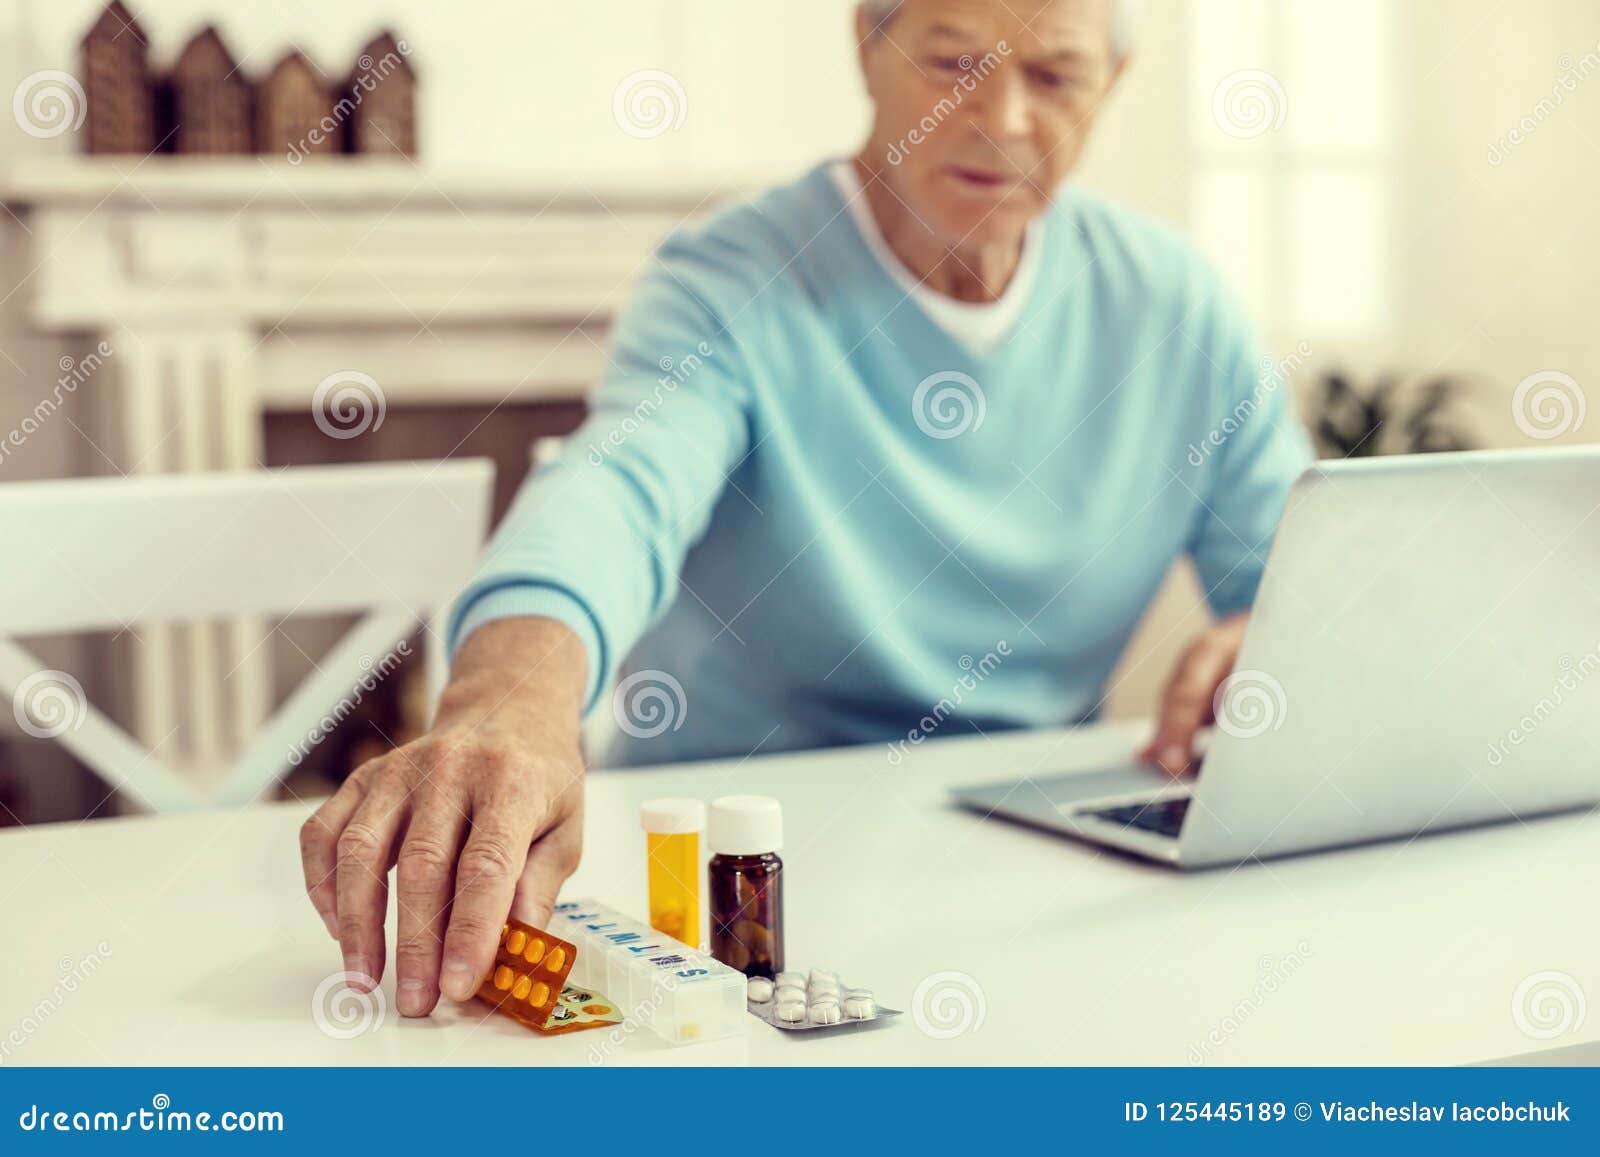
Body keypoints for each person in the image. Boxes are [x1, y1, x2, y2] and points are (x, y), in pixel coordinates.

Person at [299, 0, 1311, 1018]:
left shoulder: (1175, 306)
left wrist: (1273, 643)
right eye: (954, 62)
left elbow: (1301, 581)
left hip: (1036, 872)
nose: (1002, 118)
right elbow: (616, 488)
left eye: (1052, 76)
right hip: (740, 884)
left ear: (1110, 83)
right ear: (869, 45)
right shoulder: (734, 277)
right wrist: (506, 700)